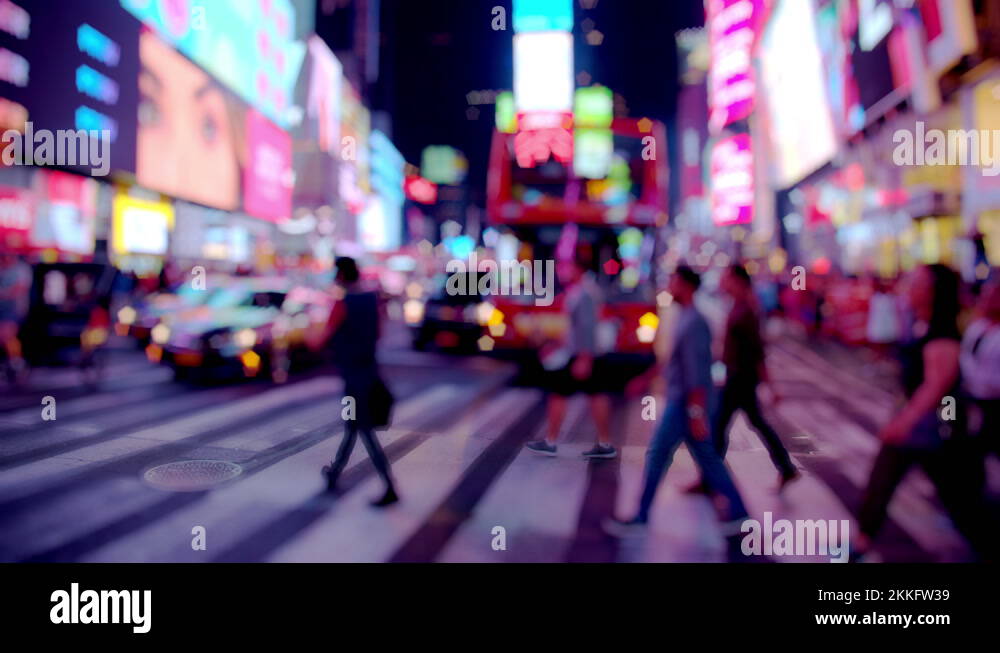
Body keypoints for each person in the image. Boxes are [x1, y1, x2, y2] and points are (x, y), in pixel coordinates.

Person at [854, 264, 994, 561]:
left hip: (934, 427)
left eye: (916, 283)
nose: (909, 288)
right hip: (925, 427)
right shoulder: (922, 323)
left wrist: (904, 422)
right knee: (886, 480)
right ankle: (862, 541)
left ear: (934, 292)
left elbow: (937, 384)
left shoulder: (941, 331)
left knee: (962, 501)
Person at [604, 265, 749, 536]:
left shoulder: (694, 321)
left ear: (687, 286)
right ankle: (739, 512)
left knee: (658, 454)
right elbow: (675, 360)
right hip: (682, 400)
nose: (670, 286)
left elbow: (696, 373)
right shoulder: (685, 317)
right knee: (707, 458)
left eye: (674, 282)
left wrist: (695, 414)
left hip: (684, 404)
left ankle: (641, 516)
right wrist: (646, 378)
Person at [692, 264, 798, 494]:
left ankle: (709, 480)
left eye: (726, 277)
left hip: (740, 378)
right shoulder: (739, 306)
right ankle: (786, 467)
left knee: (719, 425)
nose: (722, 281)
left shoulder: (747, 310)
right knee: (747, 423)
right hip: (736, 376)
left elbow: (758, 351)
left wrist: (771, 386)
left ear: (738, 281)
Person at [313, 257, 398, 507]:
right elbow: (379, 334)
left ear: (341, 275)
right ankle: (334, 473)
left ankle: (390, 485)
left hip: (352, 376)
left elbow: (322, 340)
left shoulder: (342, 305)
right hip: (369, 372)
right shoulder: (372, 301)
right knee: (351, 425)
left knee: (363, 429)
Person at [525, 257, 616, 459]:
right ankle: (603, 442)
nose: (560, 271)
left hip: (583, 354)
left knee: (563, 394)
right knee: (593, 395)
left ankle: (552, 441)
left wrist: (585, 358)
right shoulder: (581, 291)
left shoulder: (583, 294)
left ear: (579, 269)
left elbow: (586, 327)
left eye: (565, 267)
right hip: (585, 353)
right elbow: (575, 327)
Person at [960, 271, 1000, 459]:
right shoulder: (978, 326)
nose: (986, 298)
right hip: (970, 398)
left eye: (992, 294)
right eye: (985, 293)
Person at [0, 252, 31, 381]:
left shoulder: (21, 269)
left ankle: (16, 362)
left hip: (14, 309)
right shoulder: (2, 269)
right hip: (2, 309)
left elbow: (20, 288)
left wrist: (4, 294)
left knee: (7, 335)